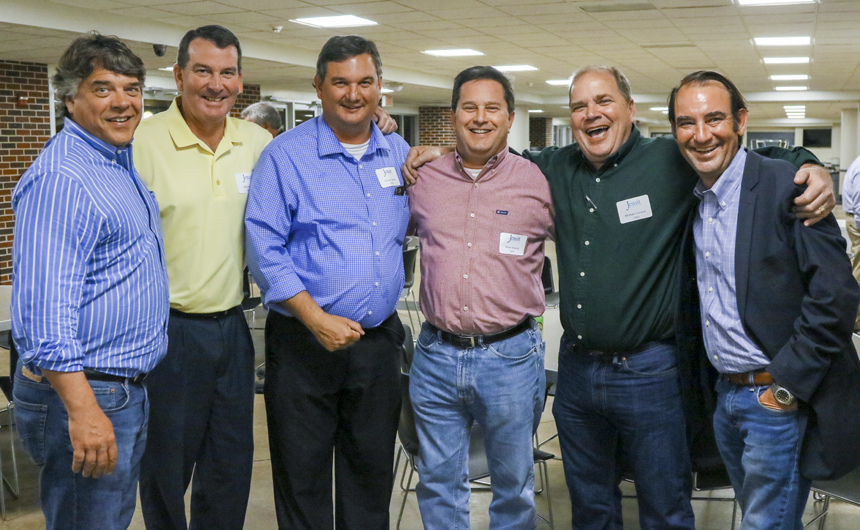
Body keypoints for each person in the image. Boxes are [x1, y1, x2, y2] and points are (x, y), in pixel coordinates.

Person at [402, 65, 834, 530]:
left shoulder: (671, 158)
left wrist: (808, 166)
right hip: (577, 373)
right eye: (580, 106)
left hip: (651, 374)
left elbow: (749, 155)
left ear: (629, 108)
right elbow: (486, 154)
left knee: (664, 505)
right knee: (590, 507)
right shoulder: (551, 167)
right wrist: (442, 151)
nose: (592, 114)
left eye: (604, 101)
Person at [671, 70, 860, 529]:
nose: (701, 135)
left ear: (741, 121)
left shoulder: (786, 186)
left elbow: (835, 294)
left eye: (714, 119)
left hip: (775, 400)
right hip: (726, 396)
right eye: (686, 122)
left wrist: (785, 387)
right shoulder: (693, 196)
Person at [245, 35, 411, 529]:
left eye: (365, 82)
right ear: (319, 86)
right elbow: (264, 249)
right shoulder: (285, 156)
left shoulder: (397, 151)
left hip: (377, 345)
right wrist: (316, 320)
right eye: (340, 82)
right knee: (303, 479)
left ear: (380, 87)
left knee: (370, 476)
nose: (353, 94)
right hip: (304, 344)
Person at [10, 33, 169, 530]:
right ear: (71, 98)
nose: (123, 102)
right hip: (86, 392)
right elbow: (44, 315)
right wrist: (83, 410)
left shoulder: (114, 161)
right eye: (103, 89)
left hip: (119, 389)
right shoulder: (65, 178)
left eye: (133, 87)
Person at [132, 25, 272, 530]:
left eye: (228, 72)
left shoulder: (257, 143)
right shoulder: (140, 142)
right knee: (166, 469)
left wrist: (383, 125)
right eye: (203, 71)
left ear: (240, 79)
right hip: (167, 332)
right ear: (178, 76)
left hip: (233, 330)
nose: (217, 84)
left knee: (230, 466)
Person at [407, 66, 554, 528]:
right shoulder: (422, 177)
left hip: (510, 357)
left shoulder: (537, 181)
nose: (480, 118)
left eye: (492, 108)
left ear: (510, 118)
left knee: (513, 487)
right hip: (435, 356)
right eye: (469, 107)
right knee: (438, 482)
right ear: (453, 116)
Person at [841, 154, 860, 330]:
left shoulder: (857, 162)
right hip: (858, 220)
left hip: (854, 218)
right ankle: (854, 319)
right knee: (859, 271)